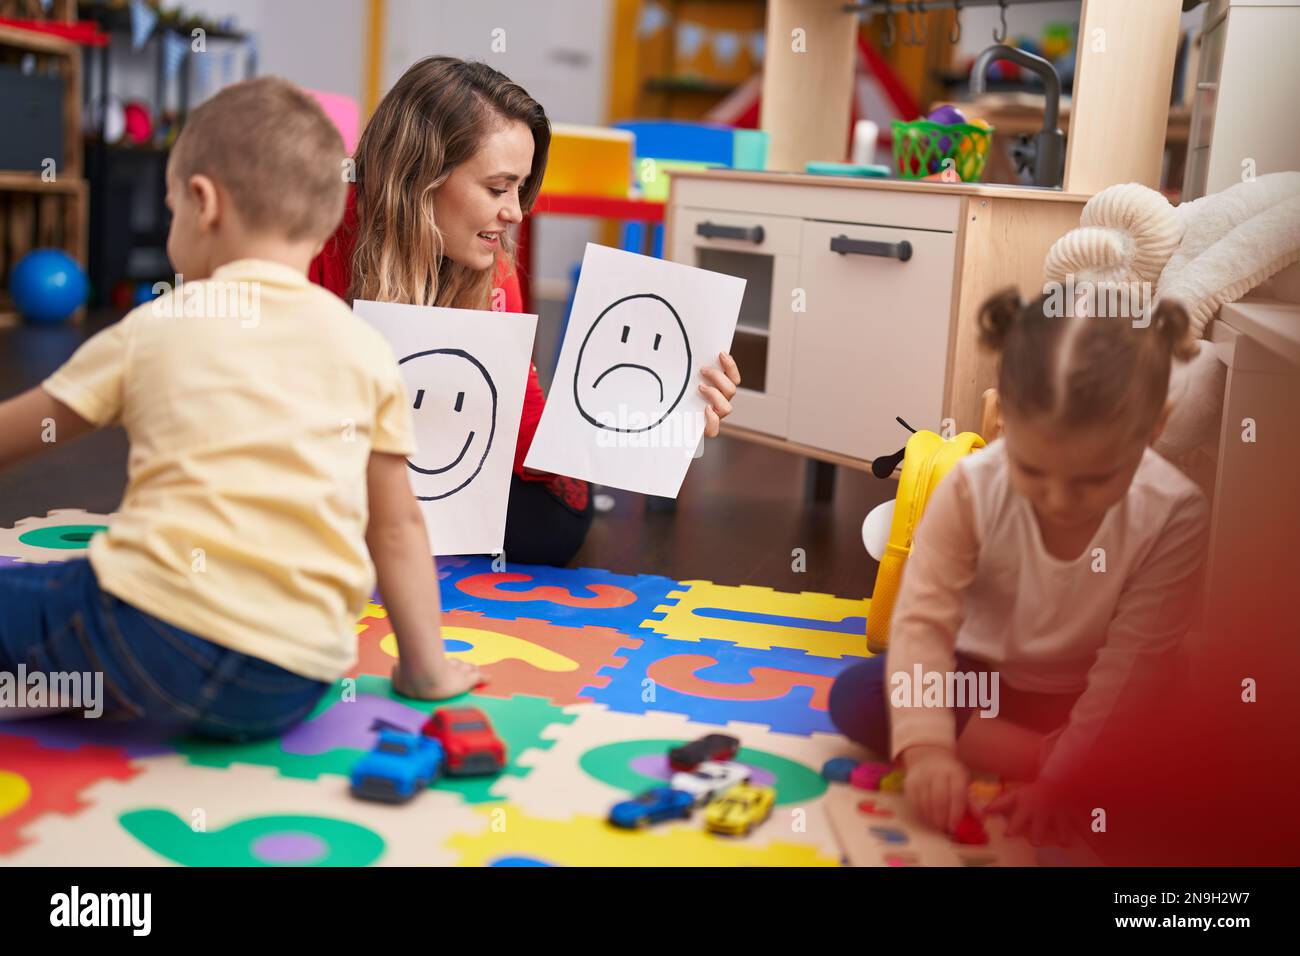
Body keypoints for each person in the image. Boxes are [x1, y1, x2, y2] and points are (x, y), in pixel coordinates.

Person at [0, 77, 478, 739]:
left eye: (171, 208)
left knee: (47, 600)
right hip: (291, 679)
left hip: (149, 629)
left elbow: (21, 432)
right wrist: (427, 670)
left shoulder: (158, 324)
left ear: (203, 204)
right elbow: (397, 527)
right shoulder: (365, 350)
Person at [310, 56, 742, 566]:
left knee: (555, 522)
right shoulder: (319, 240)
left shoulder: (487, 265)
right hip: (329, 461)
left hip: (429, 470)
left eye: (520, 187)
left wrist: (668, 423)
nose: (515, 211)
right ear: (419, 177)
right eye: (497, 188)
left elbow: (525, 425)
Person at [828, 289, 1209, 845]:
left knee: (1198, 727)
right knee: (861, 694)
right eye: (1033, 470)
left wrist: (1064, 781)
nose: (1058, 500)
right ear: (1006, 415)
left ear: (1153, 428)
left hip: (1096, 693)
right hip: (987, 684)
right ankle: (1056, 755)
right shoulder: (970, 485)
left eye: (1093, 480)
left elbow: (1131, 669)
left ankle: (1077, 759)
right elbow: (923, 623)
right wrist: (928, 749)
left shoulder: (1175, 511)